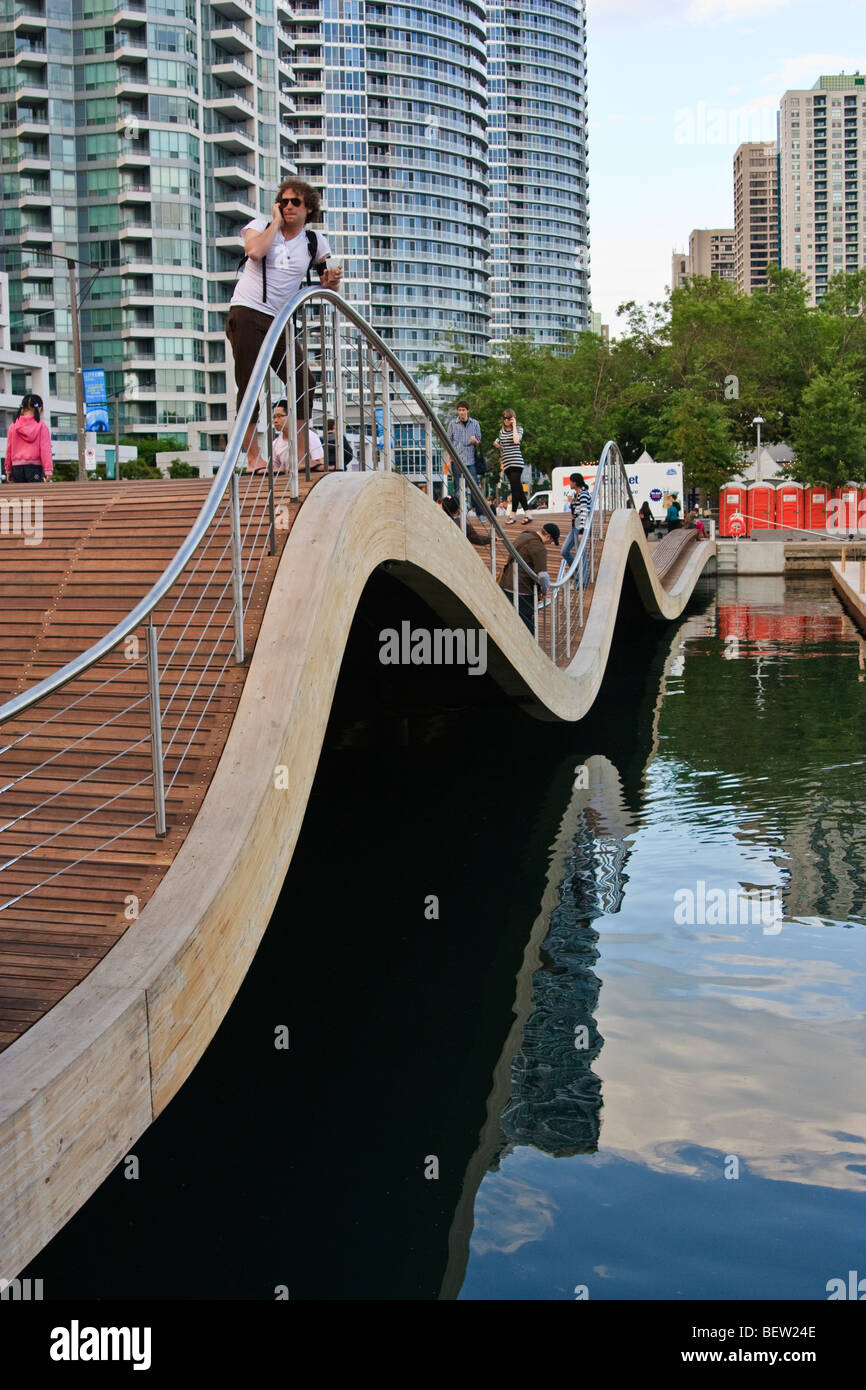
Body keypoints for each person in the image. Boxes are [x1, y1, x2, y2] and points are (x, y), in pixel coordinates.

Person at [225, 178, 342, 471]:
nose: (288, 206)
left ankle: (300, 455)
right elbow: (254, 252)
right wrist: (275, 223)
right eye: (283, 201)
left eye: (295, 202)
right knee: (250, 384)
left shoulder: (314, 242)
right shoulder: (260, 227)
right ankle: (253, 458)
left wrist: (331, 281)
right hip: (247, 312)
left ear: (309, 210)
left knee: (304, 380)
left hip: (279, 321)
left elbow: (329, 287)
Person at [499, 522, 560, 631]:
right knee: (527, 628)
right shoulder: (539, 548)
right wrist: (545, 591)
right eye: (551, 541)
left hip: (506, 584)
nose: (550, 543)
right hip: (523, 591)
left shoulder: (523, 535)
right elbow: (543, 576)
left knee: (508, 623)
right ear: (548, 536)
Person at [4, 393, 52, 483]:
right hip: (34, 467)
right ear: (39, 409)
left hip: (16, 468)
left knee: (20, 495)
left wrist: (8, 470)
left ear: (22, 409)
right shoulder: (41, 426)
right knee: (36, 495)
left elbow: (9, 450)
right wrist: (48, 470)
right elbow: (45, 449)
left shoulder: (13, 426)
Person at [493, 409, 530, 522]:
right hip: (507, 463)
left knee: (515, 488)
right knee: (517, 488)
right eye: (504, 418)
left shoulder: (518, 429)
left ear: (513, 418)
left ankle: (513, 514)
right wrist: (498, 446)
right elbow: (498, 442)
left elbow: (516, 440)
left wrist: (514, 426)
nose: (506, 420)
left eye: (509, 418)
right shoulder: (502, 431)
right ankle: (528, 513)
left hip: (516, 462)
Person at [446, 400, 483, 500]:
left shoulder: (475, 423)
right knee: (457, 488)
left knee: (475, 487)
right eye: (459, 410)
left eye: (463, 410)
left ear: (467, 410)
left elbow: (479, 440)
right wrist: (448, 460)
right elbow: (448, 443)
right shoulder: (452, 424)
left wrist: (475, 440)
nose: (461, 412)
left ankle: (480, 513)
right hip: (457, 460)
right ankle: (459, 513)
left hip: (470, 460)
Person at [561, 471, 591, 582]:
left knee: (580, 554)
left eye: (571, 481)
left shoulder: (583, 494)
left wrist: (581, 531)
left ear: (575, 482)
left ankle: (582, 580)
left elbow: (584, 512)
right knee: (564, 551)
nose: (569, 483)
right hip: (575, 526)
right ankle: (579, 573)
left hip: (579, 526)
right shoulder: (576, 494)